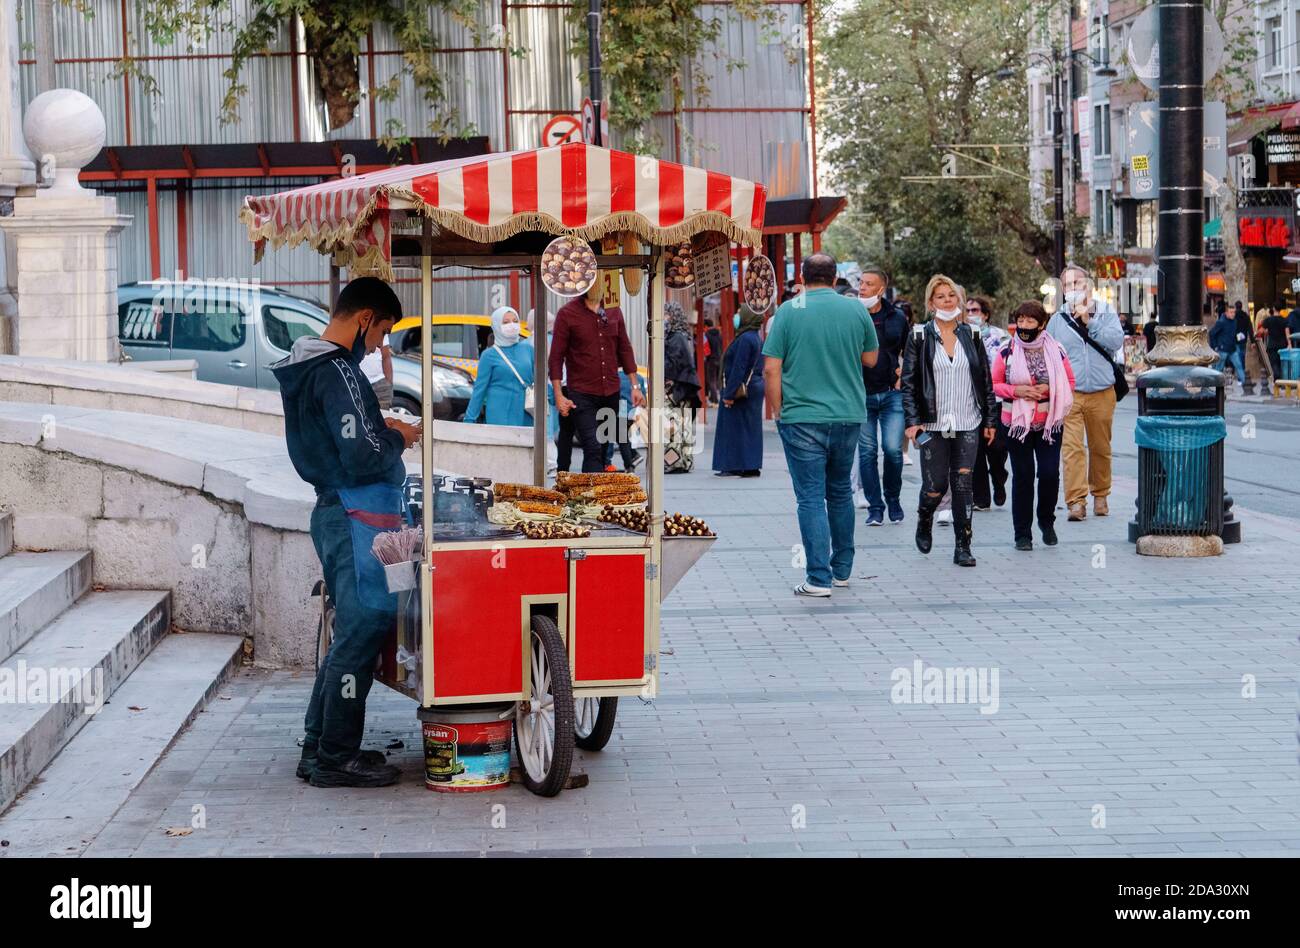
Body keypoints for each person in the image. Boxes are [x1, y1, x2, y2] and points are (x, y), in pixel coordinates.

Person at [272, 277, 421, 788]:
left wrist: (378, 429)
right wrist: (397, 438)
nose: (381, 345)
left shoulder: (314, 366)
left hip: (341, 511)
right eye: (381, 332)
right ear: (363, 319)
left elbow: (350, 435)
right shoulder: (335, 369)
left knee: (352, 632)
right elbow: (358, 454)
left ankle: (320, 746)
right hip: (351, 512)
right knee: (363, 625)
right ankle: (335, 756)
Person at [763, 252, 879, 597]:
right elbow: (871, 358)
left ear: (802, 278)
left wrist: (779, 410)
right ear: (834, 279)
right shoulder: (856, 309)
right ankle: (841, 570)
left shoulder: (788, 311)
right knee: (840, 491)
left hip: (801, 417)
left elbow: (771, 368)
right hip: (847, 415)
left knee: (811, 497)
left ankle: (818, 578)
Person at [901, 274, 997, 568]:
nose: (947, 300)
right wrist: (912, 421)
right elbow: (908, 383)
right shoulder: (919, 336)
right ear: (931, 302)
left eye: (952, 295)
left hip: (968, 419)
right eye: (941, 296)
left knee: (963, 483)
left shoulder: (973, 334)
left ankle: (963, 546)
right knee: (936, 485)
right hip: (932, 423)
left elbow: (985, 380)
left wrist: (991, 418)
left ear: (959, 299)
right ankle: (925, 515)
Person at [991, 302, 1076, 551]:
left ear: (1042, 324)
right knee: (1023, 476)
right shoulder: (1006, 351)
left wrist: (1050, 389)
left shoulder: (1056, 349)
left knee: (1050, 473)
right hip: (1016, 423)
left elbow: (1070, 380)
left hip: (1049, 422)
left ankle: (1046, 521)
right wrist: (1017, 390)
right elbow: (994, 383)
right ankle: (1022, 534)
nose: (1025, 326)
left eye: (1031, 321)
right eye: (1021, 320)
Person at [1048, 265, 1124, 521]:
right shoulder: (1057, 320)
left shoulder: (1105, 312)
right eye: (1067, 285)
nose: (1073, 288)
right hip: (1071, 394)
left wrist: (1089, 323)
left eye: (1078, 282)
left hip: (1102, 391)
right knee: (1071, 449)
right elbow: (1049, 355)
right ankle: (1076, 502)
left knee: (1100, 447)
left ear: (1088, 284)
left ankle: (1100, 494)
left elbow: (1115, 341)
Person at [549, 282, 645, 473]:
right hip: (581, 392)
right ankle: (589, 497)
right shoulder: (567, 314)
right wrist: (559, 395)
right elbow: (556, 357)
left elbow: (624, 348)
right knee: (592, 446)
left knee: (602, 448)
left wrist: (635, 386)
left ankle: (596, 497)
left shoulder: (613, 310)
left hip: (610, 391)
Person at [855, 265, 909, 525]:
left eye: (868, 283)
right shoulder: (851, 315)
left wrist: (902, 376)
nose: (862, 287)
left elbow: (910, 351)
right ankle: (875, 508)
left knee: (892, 450)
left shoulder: (897, 316)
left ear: (881, 289)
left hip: (892, 395)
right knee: (867, 452)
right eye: (861, 282)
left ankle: (894, 498)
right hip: (861, 394)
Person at [965, 295, 1010, 510]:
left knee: (998, 448)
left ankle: (999, 479)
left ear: (985, 314)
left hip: (997, 400)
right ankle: (981, 499)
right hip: (972, 401)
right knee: (976, 451)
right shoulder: (961, 336)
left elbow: (1009, 366)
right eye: (968, 311)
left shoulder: (1000, 337)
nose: (971, 315)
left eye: (975, 310)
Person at [713, 303, 766, 477]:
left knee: (733, 427)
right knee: (750, 428)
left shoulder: (744, 339)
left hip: (742, 389)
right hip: (754, 387)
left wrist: (729, 394)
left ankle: (732, 465)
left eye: (740, 313)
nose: (737, 316)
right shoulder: (755, 337)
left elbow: (739, 367)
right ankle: (751, 465)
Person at [464, 306, 534, 426]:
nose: (512, 325)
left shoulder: (528, 349)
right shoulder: (489, 355)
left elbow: (538, 380)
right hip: (499, 414)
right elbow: (479, 390)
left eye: (515, 321)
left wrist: (556, 397)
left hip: (526, 411)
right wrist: (469, 420)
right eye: (506, 322)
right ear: (496, 325)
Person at [664, 302, 703, 473]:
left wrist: (668, 384)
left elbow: (674, 364)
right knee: (683, 429)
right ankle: (685, 462)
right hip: (684, 390)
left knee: (672, 429)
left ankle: (673, 463)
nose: (664, 317)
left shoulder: (675, 337)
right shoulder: (683, 336)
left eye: (666, 314)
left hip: (675, 391)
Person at [603, 367, 645, 472]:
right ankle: (633, 457)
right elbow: (643, 397)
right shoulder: (638, 378)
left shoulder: (615, 377)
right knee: (622, 438)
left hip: (621, 408)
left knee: (618, 438)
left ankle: (626, 463)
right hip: (634, 412)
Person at [1209, 305, 1245, 391]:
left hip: (1232, 348)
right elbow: (1211, 333)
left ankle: (1245, 383)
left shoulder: (1235, 321)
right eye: (1231, 312)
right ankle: (1215, 384)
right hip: (1222, 348)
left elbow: (1232, 334)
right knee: (1219, 367)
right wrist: (1215, 346)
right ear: (1226, 313)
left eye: (1234, 312)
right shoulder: (1221, 322)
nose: (1233, 314)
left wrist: (1238, 338)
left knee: (1238, 365)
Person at [358, 328, 394, 409]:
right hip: (358, 383)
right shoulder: (354, 330)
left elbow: (386, 357)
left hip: (379, 384)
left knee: (382, 418)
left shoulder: (381, 329)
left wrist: (388, 382)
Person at [1258, 304, 1291, 384]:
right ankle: (1281, 380)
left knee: (1274, 363)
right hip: (1282, 345)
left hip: (1272, 345)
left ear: (1273, 309)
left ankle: (1277, 378)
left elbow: (1261, 331)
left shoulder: (1269, 320)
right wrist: (1289, 344)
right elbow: (1287, 333)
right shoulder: (1285, 320)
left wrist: (1265, 332)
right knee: (1281, 363)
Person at [1233, 301, 1255, 392]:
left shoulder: (1233, 316)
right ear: (1242, 306)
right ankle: (1241, 377)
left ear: (1235, 307)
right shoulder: (1246, 316)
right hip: (1243, 340)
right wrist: (1252, 341)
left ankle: (1239, 378)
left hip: (1234, 340)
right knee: (1242, 358)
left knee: (1237, 358)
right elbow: (1250, 328)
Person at [704, 317, 723, 406]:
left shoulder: (706, 335)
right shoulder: (719, 334)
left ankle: (715, 400)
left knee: (711, 380)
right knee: (718, 380)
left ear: (706, 326)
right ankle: (717, 397)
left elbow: (706, 348)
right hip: (719, 358)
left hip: (710, 359)